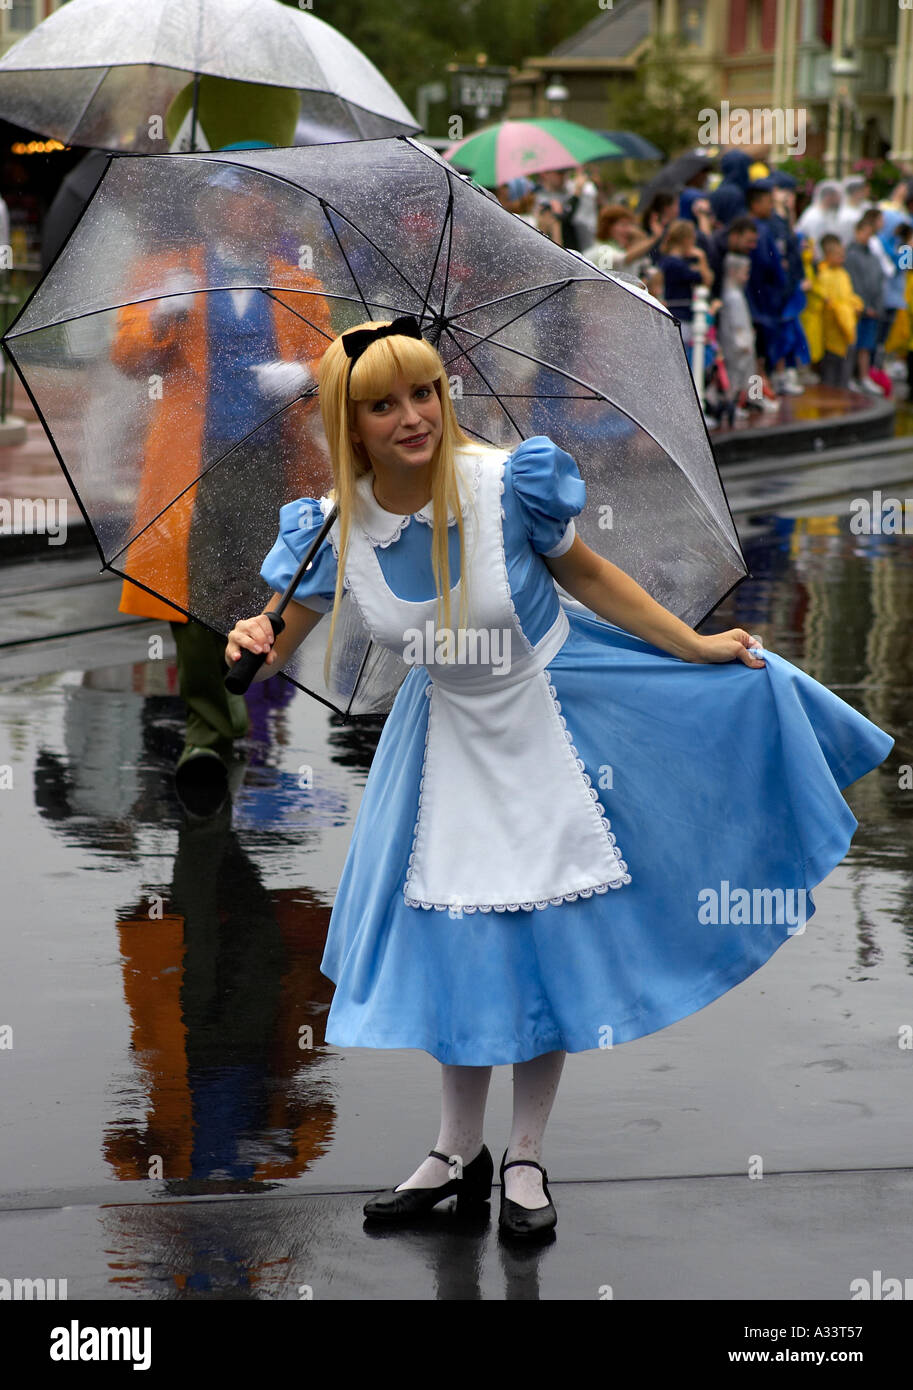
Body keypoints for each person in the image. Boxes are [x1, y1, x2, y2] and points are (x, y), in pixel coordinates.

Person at [225, 318, 893, 1240]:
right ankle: (457, 1153)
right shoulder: (330, 530)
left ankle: (528, 1154)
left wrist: (695, 645)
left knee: (544, 943)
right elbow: (272, 650)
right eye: (382, 404)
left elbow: (592, 577)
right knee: (460, 944)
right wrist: (251, 641)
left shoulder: (506, 485)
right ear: (349, 422)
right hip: (440, 744)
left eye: (423, 392)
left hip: (556, 709)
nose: (412, 416)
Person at [802, 233, 863, 388]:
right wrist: (838, 309)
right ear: (828, 255)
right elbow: (825, 298)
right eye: (838, 256)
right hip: (831, 328)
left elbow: (848, 295)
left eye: (843, 256)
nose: (842, 259)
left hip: (846, 327)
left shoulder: (843, 274)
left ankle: (843, 389)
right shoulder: (823, 274)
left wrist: (856, 306)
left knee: (846, 363)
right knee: (830, 364)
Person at [844, 209, 886, 393]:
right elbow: (854, 283)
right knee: (854, 344)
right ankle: (851, 378)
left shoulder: (873, 255)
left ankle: (864, 377)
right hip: (858, 309)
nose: (868, 237)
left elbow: (881, 277)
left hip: (875, 307)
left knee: (867, 345)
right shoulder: (850, 255)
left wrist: (876, 305)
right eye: (865, 233)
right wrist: (864, 306)